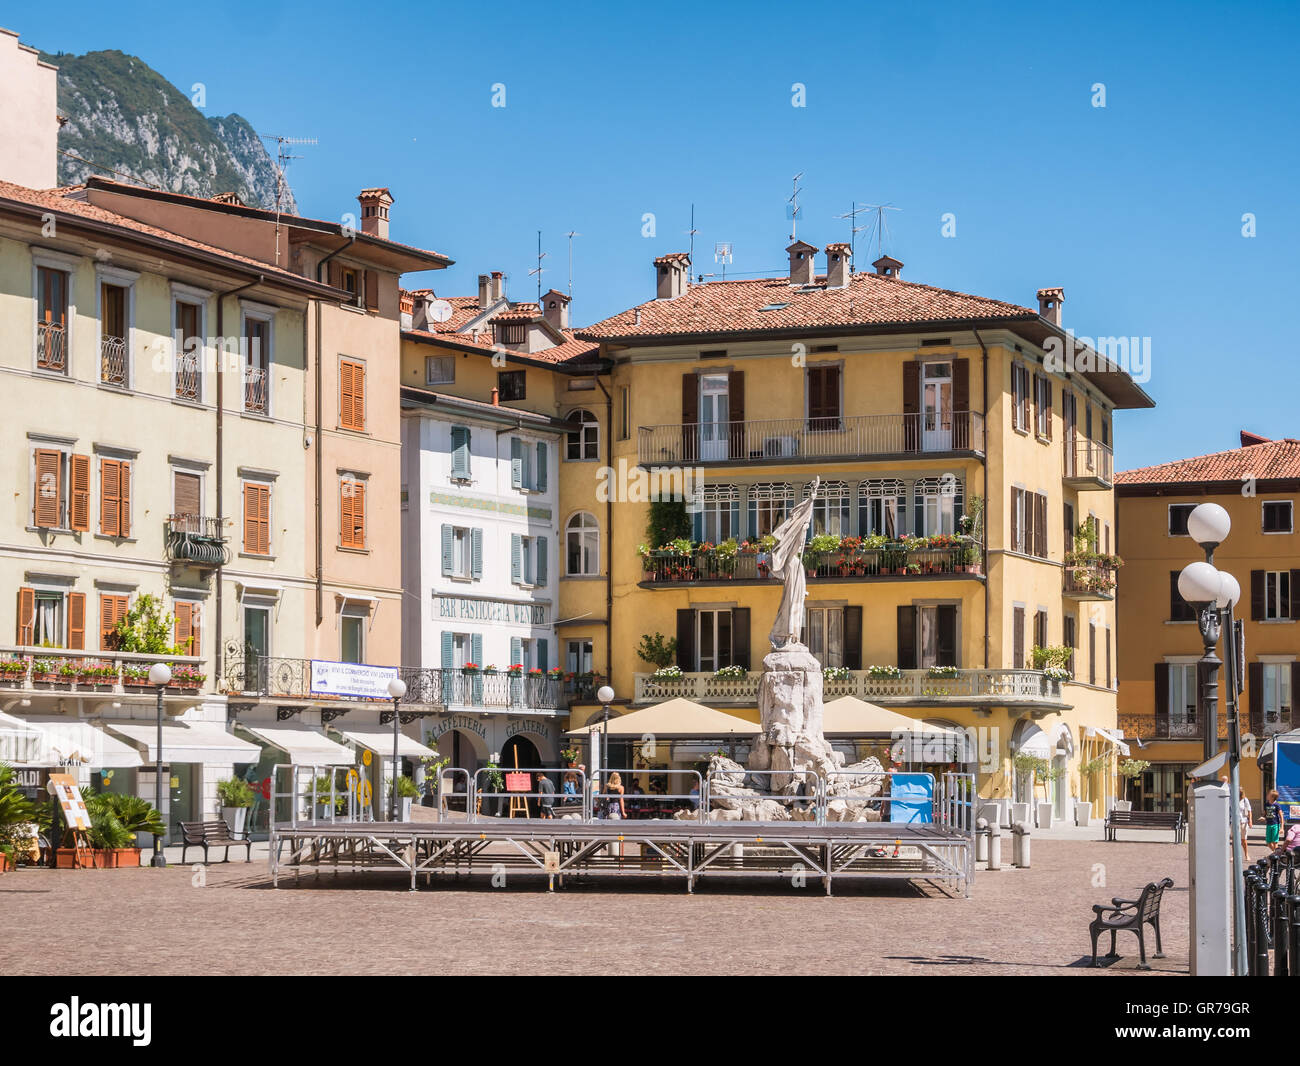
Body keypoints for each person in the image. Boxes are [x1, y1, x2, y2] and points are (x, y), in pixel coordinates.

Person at [1239, 788, 1253, 857]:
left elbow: (1249, 810)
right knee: (1234, 840)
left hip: (1243, 822)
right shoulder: (1231, 799)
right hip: (1234, 822)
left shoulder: (1245, 800)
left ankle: (1246, 854)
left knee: (1243, 839)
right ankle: (1234, 855)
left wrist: (1250, 820)